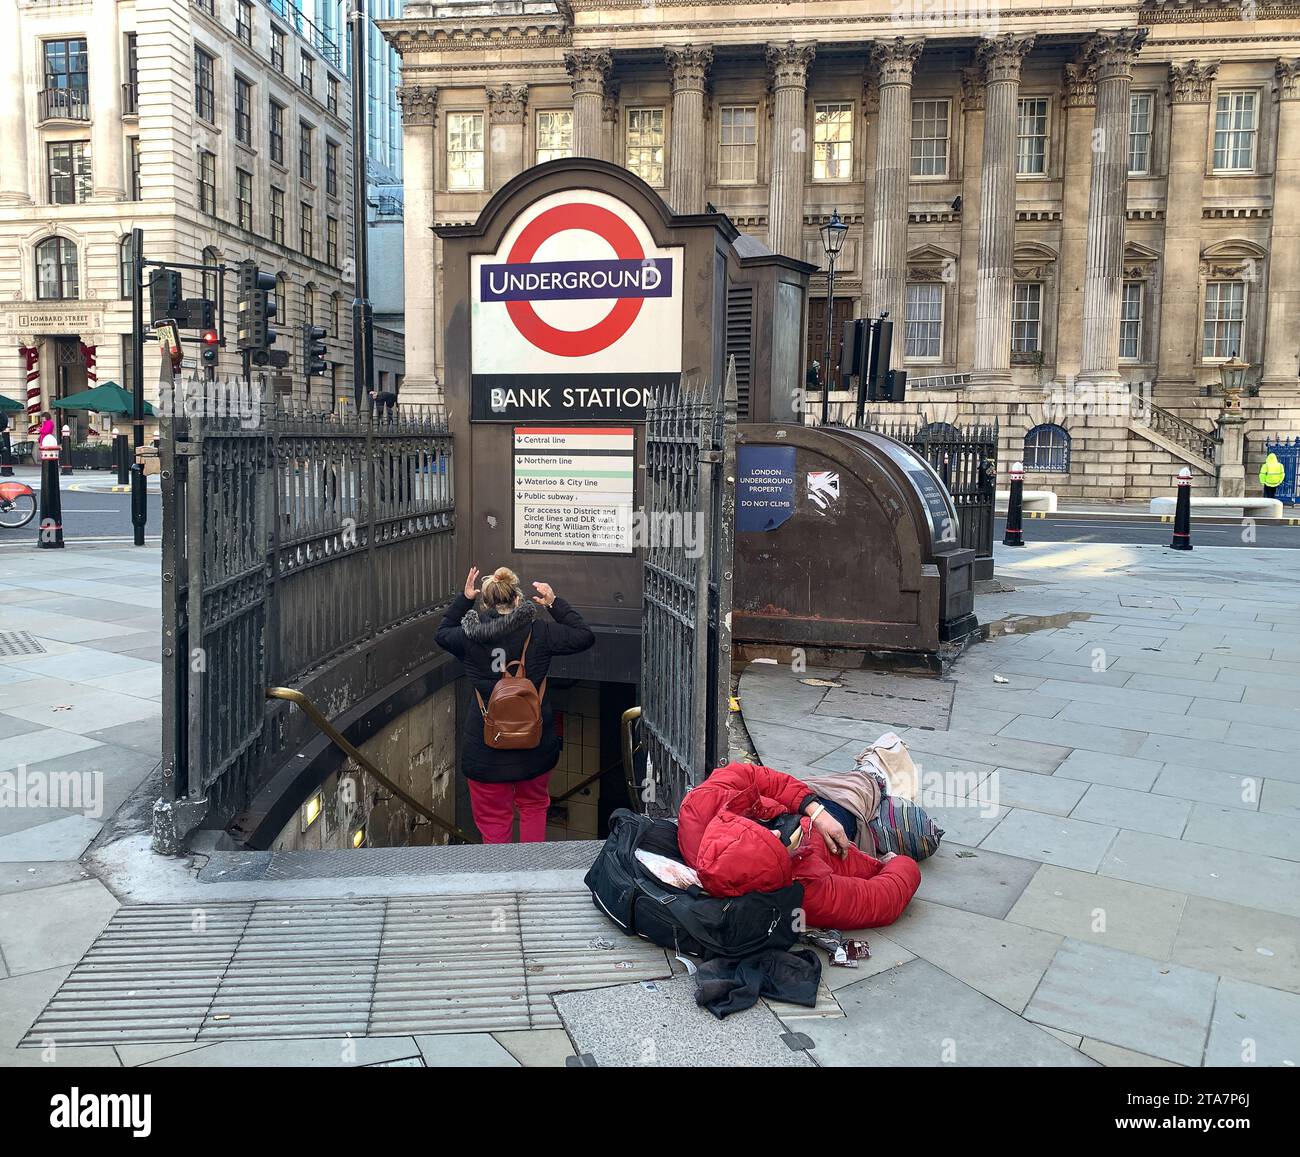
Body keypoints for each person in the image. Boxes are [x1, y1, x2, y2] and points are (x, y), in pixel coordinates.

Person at [435, 566, 594, 843]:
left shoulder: (467, 637)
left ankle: (501, 880)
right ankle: (532, 874)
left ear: (486, 602)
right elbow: (583, 635)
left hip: (485, 749)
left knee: (494, 819)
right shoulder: (540, 632)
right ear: (518, 599)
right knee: (533, 808)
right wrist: (554, 603)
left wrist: (464, 598)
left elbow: (442, 632)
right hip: (535, 745)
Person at [676, 761, 921, 930]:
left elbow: (754, 776)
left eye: (762, 830)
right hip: (842, 827)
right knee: (864, 787)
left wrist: (816, 812)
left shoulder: (701, 808)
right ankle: (873, 777)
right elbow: (881, 901)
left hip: (808, 809)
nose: (773, 831)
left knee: (837, 786)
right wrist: (898, 862)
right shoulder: (801, 889)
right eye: (779, 843)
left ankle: (869, 775)